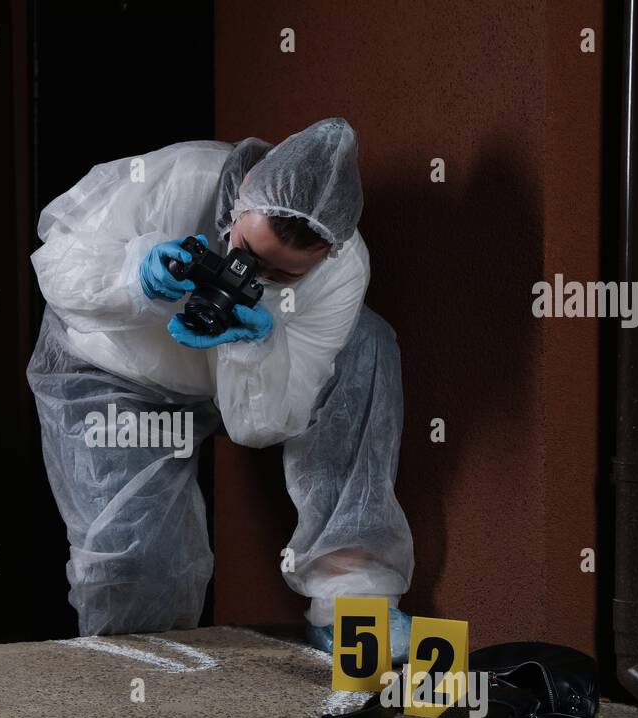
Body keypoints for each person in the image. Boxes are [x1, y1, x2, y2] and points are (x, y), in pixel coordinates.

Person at [27, 117, 415, 661]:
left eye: (281, 276)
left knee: (365, 341)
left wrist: (258, 347)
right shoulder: (182, 177)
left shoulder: (341, 272)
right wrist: (134, 276)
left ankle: (352, 596)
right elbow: (58, 260)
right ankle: (141, 667)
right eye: (244, 254)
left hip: (229, 379)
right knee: (140, 567)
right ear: (240, 202)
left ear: (326, 255)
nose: (248, 276)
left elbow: (262, 424)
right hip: (118, 367)